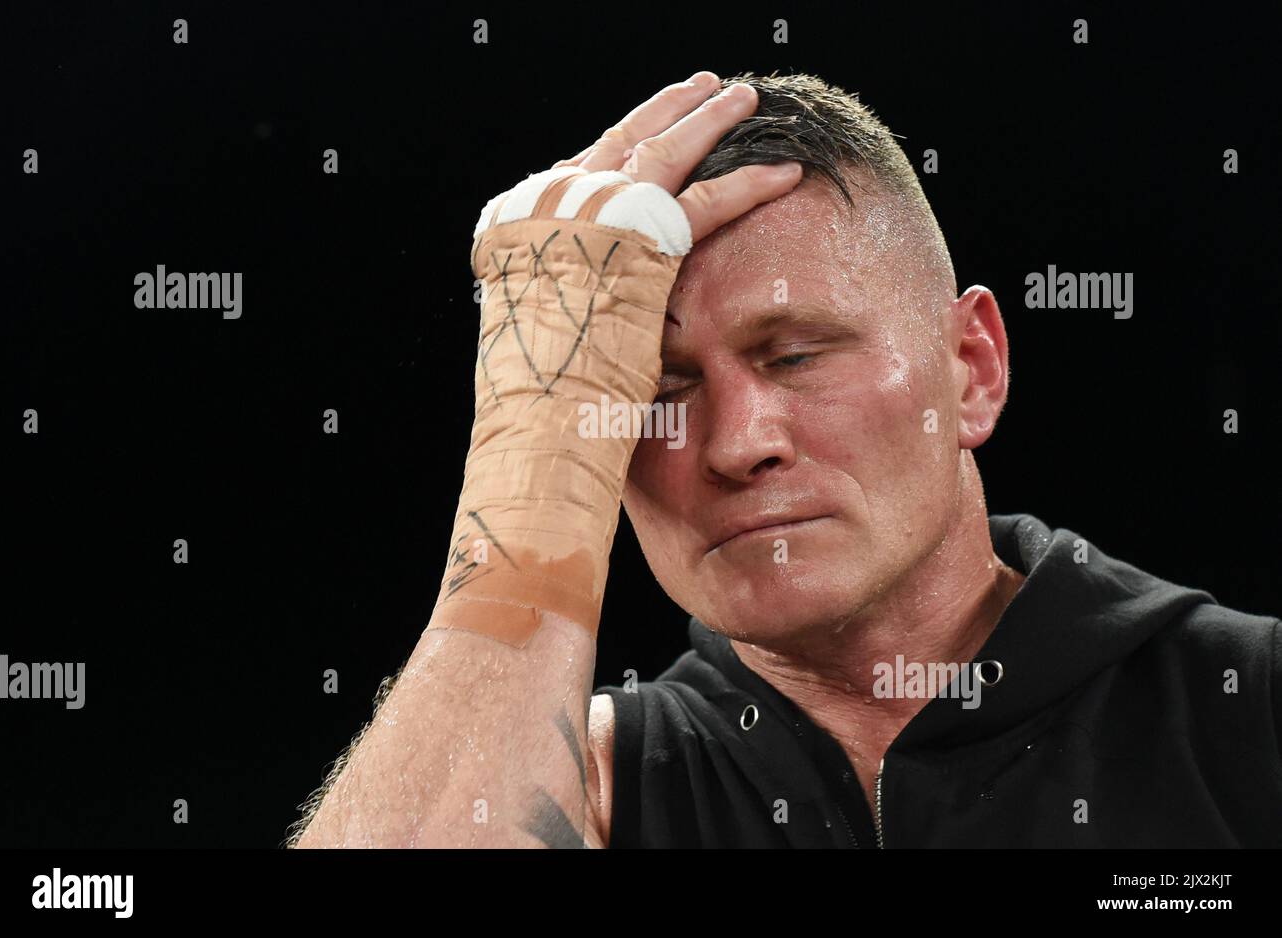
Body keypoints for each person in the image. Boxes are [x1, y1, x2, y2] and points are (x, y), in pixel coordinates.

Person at [289, 71, 1281, 849]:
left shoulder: (1248, 702)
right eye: (657, 388)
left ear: (969, 368)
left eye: (795, 353)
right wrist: (532, 444)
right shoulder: (597, 777)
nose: (736, 443)